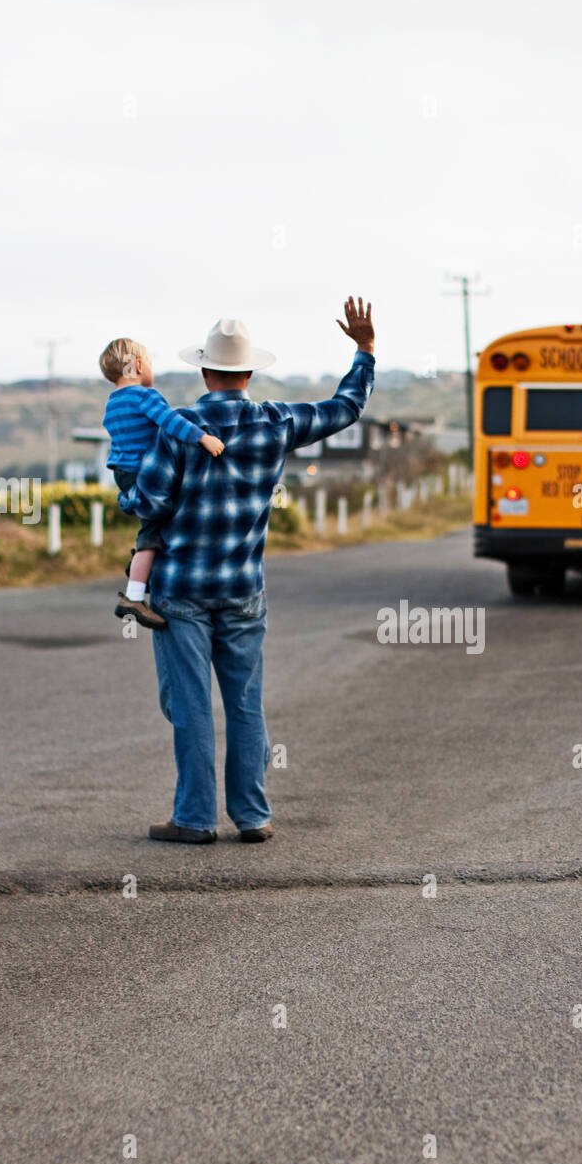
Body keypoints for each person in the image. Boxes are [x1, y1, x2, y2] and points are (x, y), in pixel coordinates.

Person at [120, 300, 375, 843]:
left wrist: (126, 486)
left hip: (180, 591)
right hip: (242, 591)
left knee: (190, 708)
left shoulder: (181, 427)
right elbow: (345, 407)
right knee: (244, 705)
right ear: (248, 374)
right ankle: (252, 816)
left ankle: (193, 819)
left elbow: (150, 503)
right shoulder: (275, 423)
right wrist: (364, 351)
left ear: (205, 371)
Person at [99, 337, 224, 630]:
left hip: (123, 473)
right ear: (138, 366)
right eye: (151, 364)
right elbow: (171, 421)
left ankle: (139, 571)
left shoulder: (113, 402)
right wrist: (203, 438)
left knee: (151, 527)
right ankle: (133, 596)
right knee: (152, 533)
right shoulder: (145, 397)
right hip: (144, 472)